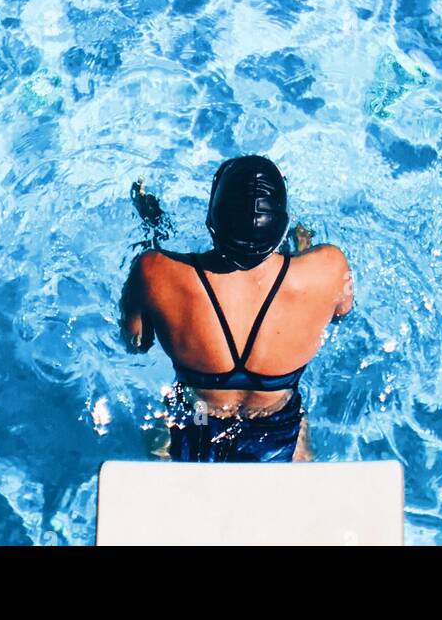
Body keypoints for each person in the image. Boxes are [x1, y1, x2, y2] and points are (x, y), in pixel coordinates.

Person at [121, 155, 353, 462]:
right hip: (277, 425)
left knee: (164, 445)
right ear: (280, 228)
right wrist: (303, 255)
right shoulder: (330, 267)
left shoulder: (154, 270)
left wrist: (152, 237)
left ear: (211, 220)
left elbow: (136, 343)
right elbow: (341, 313)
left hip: (198, 417)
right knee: (298, 451)